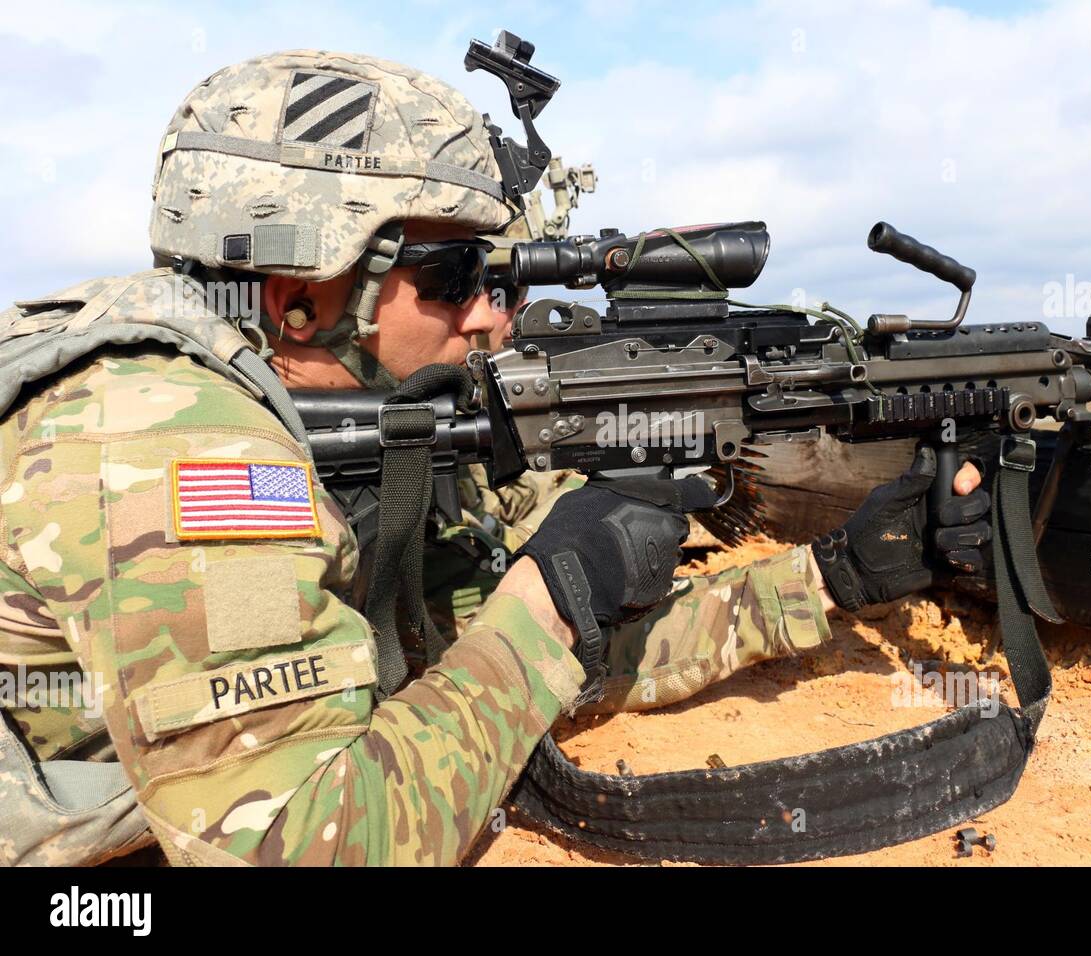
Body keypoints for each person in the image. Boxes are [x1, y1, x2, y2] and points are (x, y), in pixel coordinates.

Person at [0, 49, 985, 867]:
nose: (490, 312)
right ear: (297, 290)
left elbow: (478, 678)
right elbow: (306, 848)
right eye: (454, 273)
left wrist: (829, 577)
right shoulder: (166, 432)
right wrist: (549, 602)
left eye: (496, 272)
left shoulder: (340, 405)